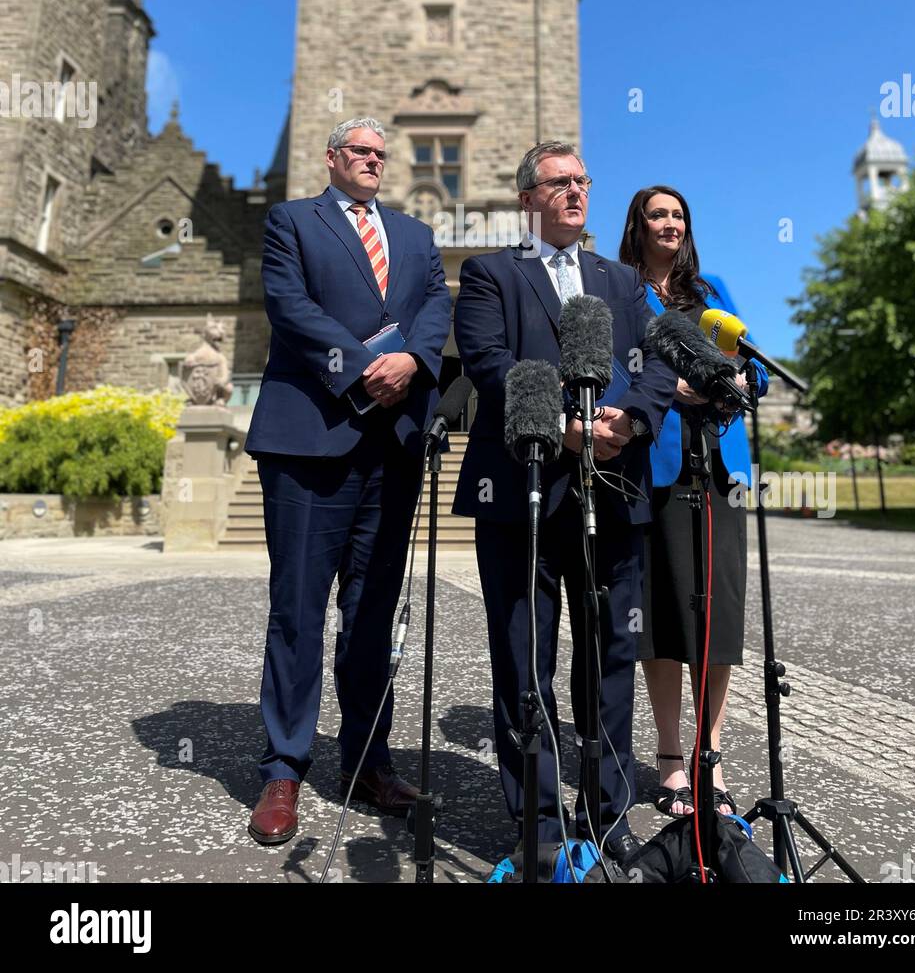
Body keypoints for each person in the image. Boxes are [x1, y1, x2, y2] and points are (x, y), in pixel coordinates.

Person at [452, 141, 676, 863]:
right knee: (525, 663)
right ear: (527, 198)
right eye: (559, 183)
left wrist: (628, 421)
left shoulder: (619, 279)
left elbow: (653, 363)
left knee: (610, 659)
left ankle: (607, 823)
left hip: (614, 490)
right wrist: (562, 428)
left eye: (583, 181)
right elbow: (490, 364)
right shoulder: (491, 273)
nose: (576, 192)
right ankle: (540, 832)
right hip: (522, 489)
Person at [244, 116, 452, 844]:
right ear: (331, 158)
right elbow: (290, 308)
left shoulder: (418, 236)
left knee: (373, 614)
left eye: (380, 155)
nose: (372, 161)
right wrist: (363, 369)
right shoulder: (291, 222)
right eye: (359, 151)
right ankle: (283, 768)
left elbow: (434, 309)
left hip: (390, 447)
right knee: (298, 612)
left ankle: (366, 759)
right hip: (310, 438)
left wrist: (414, 363)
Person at [619, 185, 768, 817]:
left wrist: (732, 379)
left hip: (720, 473)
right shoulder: (620, 292)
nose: (671, 224)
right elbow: (619, 371)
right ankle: (671, 759)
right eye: (659, 214)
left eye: (679, 215)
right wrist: (674, 388)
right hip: (656, 469)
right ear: (639, 225)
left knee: (720, 620)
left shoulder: (713, 294)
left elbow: (756, 369)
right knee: (662, 614)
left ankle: (712, 756)